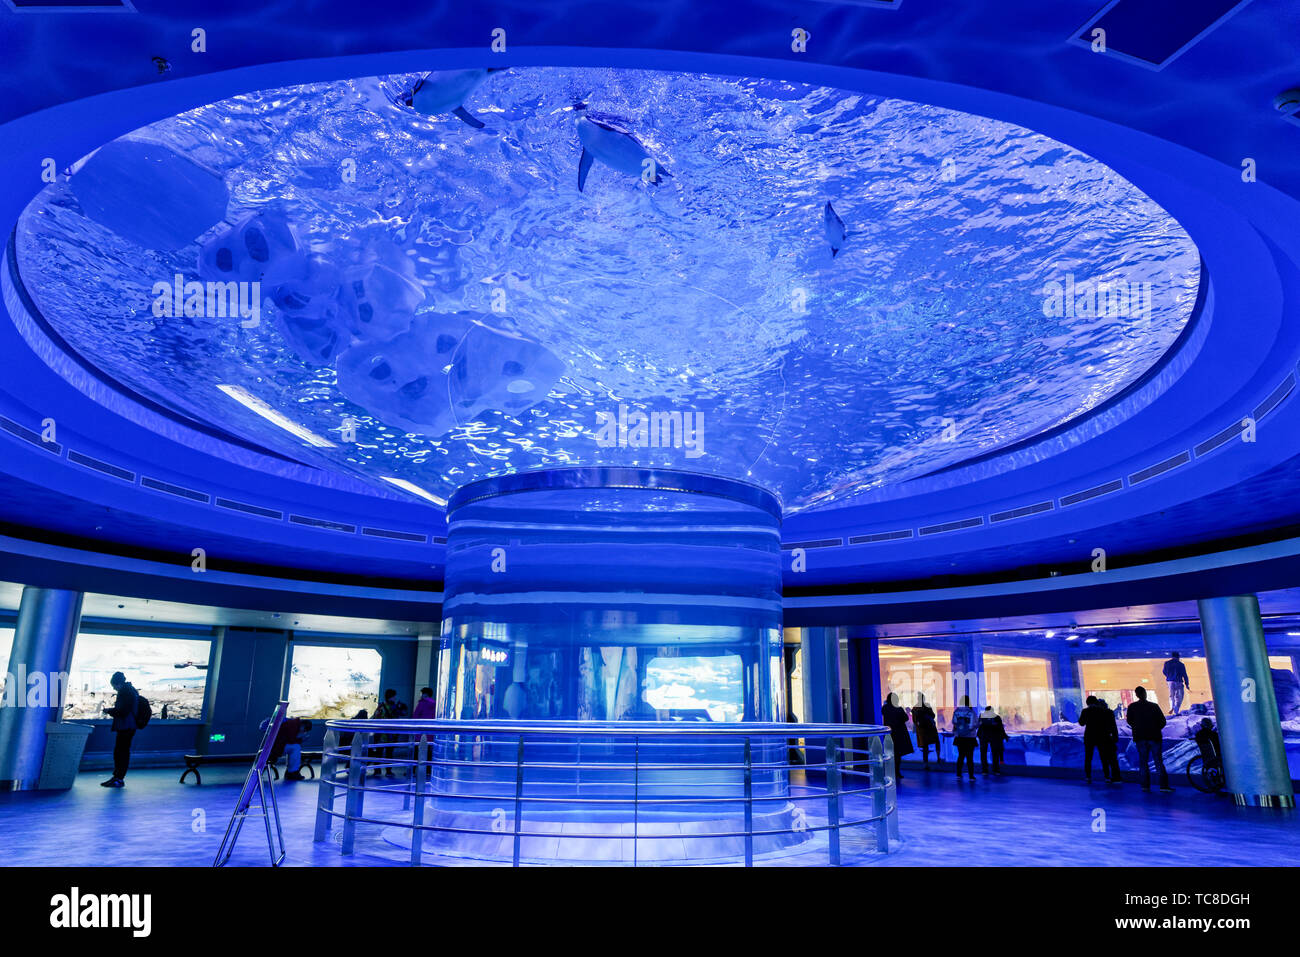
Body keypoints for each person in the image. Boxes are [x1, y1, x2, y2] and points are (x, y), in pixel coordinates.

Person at [1126, 686, 1173, 792]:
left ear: (1136, 695)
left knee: (1143, 762)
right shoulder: (1154, 706)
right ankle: (1164, 786)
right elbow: (1162, 721)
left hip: (1140, 738)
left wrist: (1138, 728)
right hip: (1154, 737)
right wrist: (1155, 729)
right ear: (1145, 693)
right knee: (1158, 761)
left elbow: (1129, 721)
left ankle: (1145, 786)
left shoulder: (1132, 707)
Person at [100, 672, 140, 788]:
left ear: (118, 683)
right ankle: (117, 777)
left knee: (120, 753)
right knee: (121, 752)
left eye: (114, 686)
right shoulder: (130, 690)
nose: (114, 688)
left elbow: (122, 712)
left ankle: (118, 779)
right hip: (129, 726)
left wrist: (109, 711)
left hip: (125, 726)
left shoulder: (125, 692)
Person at [1079, 696, 1118, 783]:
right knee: (1103, 757)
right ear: (1096, 702)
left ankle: (1088, 777)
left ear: (1087, 703)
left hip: (1089, 737)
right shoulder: (1103, 711)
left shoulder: (1085, 711)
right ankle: (1107, 776)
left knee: (1088, 757)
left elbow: (1081, 723)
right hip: (1101, 737)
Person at [372, 689, 409, 778]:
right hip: (390, 734)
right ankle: (388, 771)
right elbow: (403, 713)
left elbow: (376, 718)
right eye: (394, 696)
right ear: (390, 697)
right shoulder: (394, 707)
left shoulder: (381, 706)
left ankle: (377, 770)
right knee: (388, 753)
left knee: (379, 753)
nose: (395, 698)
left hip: (381, 734)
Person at [881, 693, 914, 781]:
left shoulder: (885, 708)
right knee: (898, 754)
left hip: (888, 734)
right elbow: (905, 718)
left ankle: (888, 772)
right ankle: (897, 772)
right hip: (899, 734)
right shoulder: (898, 709)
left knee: (889, 753)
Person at [951, 696, 979, 781]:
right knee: (970, 757)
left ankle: (959, 774)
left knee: (961, 756)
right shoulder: (971, 712)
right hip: (970, 738)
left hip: (959, 737)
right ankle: (971, 776)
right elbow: (975, 725)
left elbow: (954, 723)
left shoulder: (957, 712)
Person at [977, 705, 1009, 775]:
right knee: (995, 753)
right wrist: (1005, 736)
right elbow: (1001, 728)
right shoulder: (996, 717)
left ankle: (984, 770)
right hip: (994, 737)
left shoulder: (981, 716)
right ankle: (996, 770)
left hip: (983, 737)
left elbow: (977, 725)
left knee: (983, 754)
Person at [1097, 698, 1123, 784]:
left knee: (1104, 759)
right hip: (1109, 738)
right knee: (1113, 759)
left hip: (1101, 739)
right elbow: (1114, 726)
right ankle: (1116, 777)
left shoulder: (1097, 714)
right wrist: (1115, 737)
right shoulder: (1110, 712)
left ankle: (1107, 776)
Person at [911, 693, 940, 766]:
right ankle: (938, 758)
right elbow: (933, 715)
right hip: (930, 728)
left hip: (922, 730)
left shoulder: (915, 708)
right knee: (936, 742)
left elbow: (914, 720)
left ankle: (926, 763)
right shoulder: (927, 706)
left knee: (925, 746)